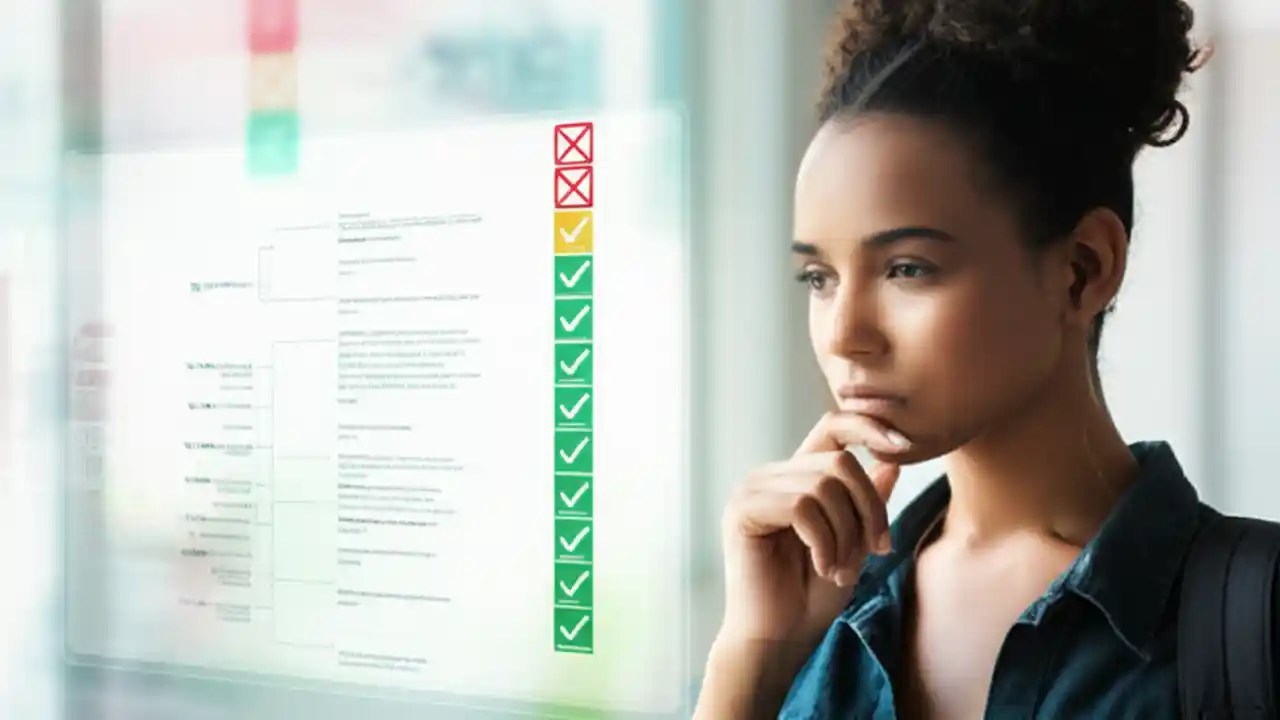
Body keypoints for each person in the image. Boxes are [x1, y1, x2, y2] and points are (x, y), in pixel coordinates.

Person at [688, 1, 1266, 718]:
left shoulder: (1249, 624)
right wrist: (754, 657)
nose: (844, 334)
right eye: (820, 277)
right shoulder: (806, 623)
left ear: (1083, 269)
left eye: (907, 268)